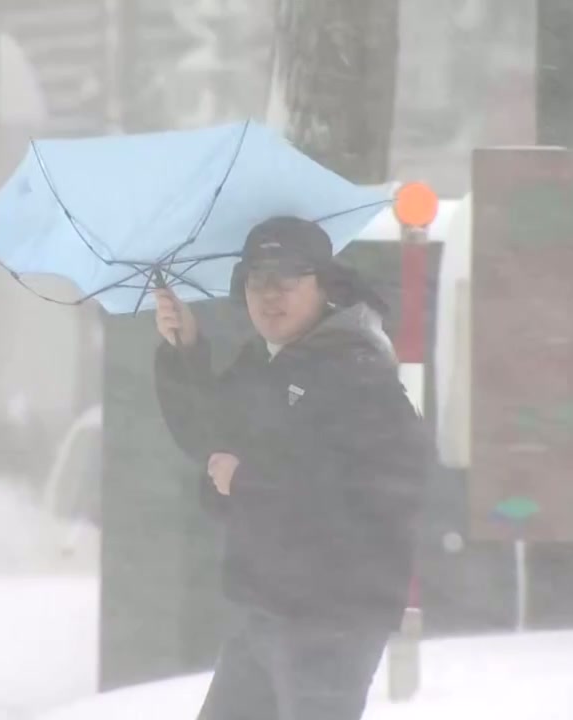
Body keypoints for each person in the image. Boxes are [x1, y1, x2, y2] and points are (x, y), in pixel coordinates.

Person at [154, 216, 429, 720]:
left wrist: (248, 481)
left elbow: (364, 490)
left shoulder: (356, 369)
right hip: (264, 604)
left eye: (288, 278)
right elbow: (210, 436)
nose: (270, 295)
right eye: (258, 279)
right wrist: (185, 350)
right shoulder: (266, 362)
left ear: (323, 285)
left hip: (333, 616)